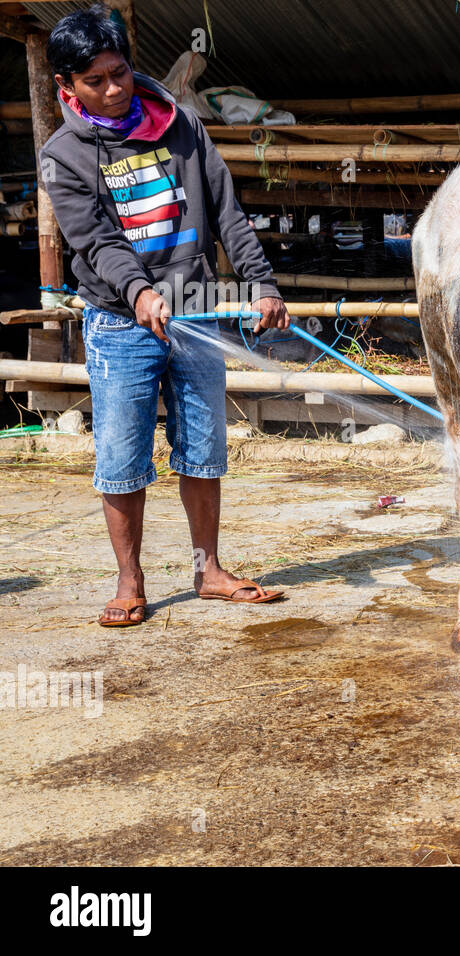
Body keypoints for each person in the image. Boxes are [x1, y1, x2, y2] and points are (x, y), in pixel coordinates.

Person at [40, 4, 289, 626]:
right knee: (122, 457)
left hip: (197, 310)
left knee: (202, 449)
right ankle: (131, 581)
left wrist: (261, 284)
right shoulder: (63, 154)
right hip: (120, 321)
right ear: (65, 87)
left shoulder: (180, 124)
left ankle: (208, 569)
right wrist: (139, 292)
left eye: (119, 72)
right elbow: (94, 240)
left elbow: (227, 209)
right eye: (94, 80)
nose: (114, 88)